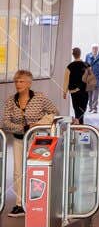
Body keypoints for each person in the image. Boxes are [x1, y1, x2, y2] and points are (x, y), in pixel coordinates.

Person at [2, 69, 58, 215]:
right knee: (17, 172)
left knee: (35, 169)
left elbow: (54, 113)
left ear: (29, 83)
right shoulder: (10, 101)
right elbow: (6, 123)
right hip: (19, 140)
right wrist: (23, 128)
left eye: (21, 81)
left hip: (36, 141)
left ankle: (37, 201)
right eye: (16, 81)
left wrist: (37, 125)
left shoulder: (40, 98)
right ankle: (19, 204)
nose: (18, 84)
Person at [64, 47, 90, 120]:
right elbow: (91, 78)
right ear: (80, 54)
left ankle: (79, 124)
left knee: (76, 108)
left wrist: (64, 91)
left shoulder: (69, 66)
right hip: (84, 90)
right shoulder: (87, 65)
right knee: (82, 109)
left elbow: (66, 80)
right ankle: (80, 124)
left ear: (73, 55)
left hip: (74, 91)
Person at [85, 45, 99, 113]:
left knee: (95, 93)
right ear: (91, 49)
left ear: (98, 49)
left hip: (97, 77)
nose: (94, 49)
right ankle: (90, 107)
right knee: (89, 93)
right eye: (93, 48)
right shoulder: (88, 56)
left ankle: (94, 108)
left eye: (96, 48)